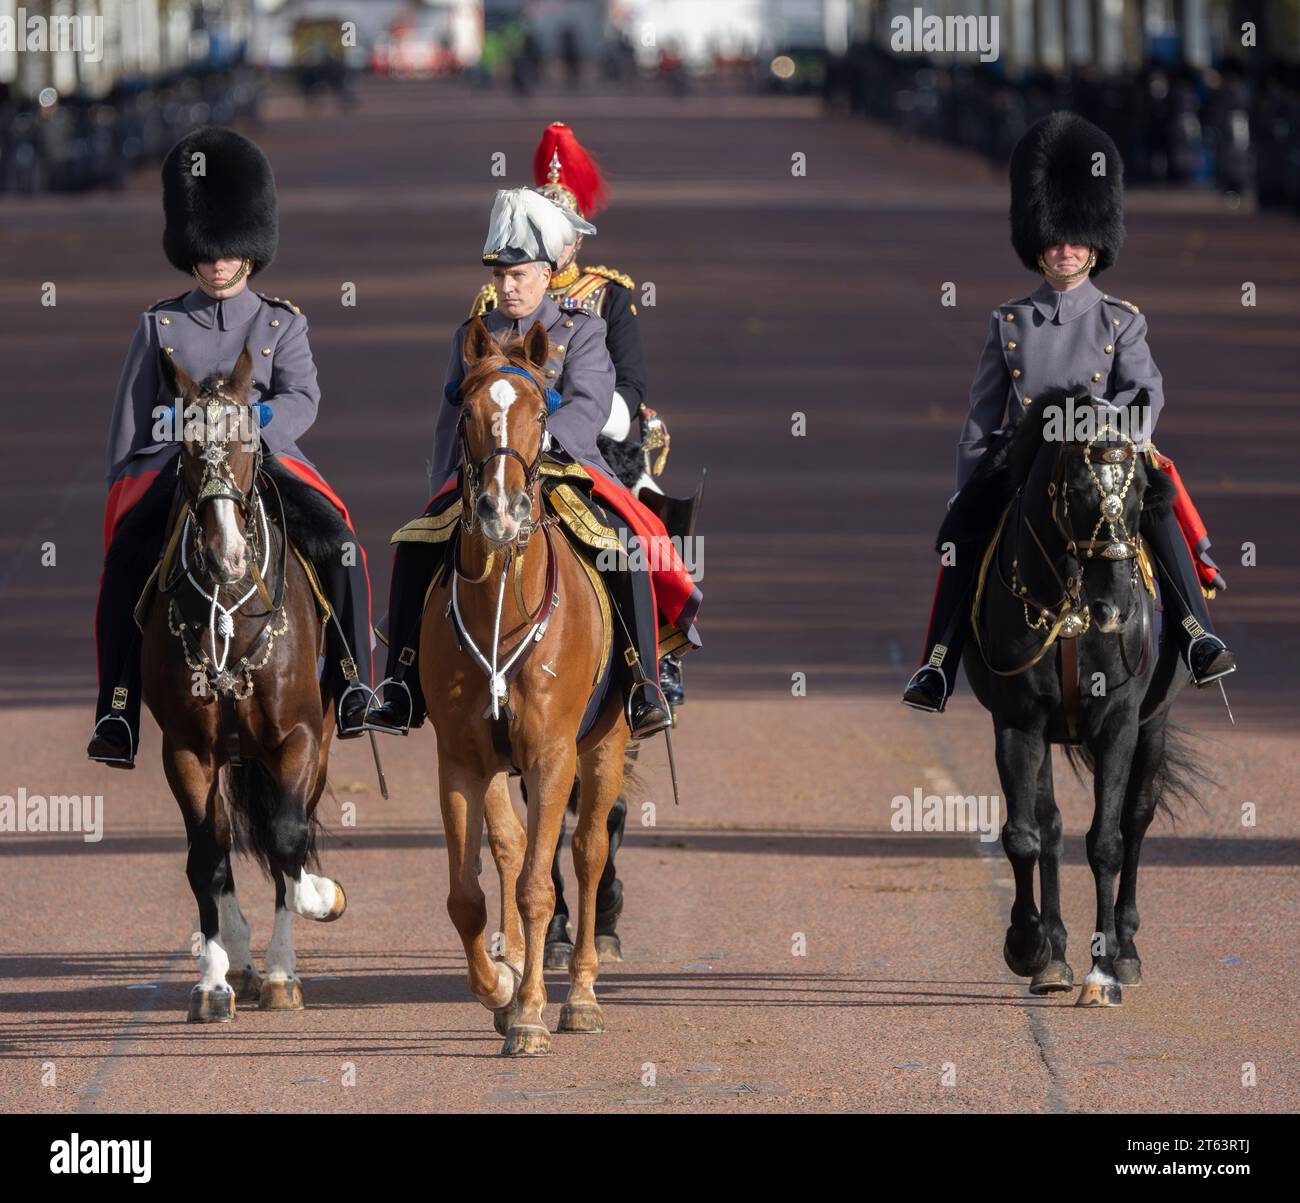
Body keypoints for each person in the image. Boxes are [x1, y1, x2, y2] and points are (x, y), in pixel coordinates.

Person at [902, 111, 1235, 714]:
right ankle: (938, 663)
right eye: (1054, 237)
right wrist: (966, 487)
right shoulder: (1009, 321)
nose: (1064, 248)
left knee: (1157, 506)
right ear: (1037, 243)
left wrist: (1117, 428)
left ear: (1096, 243)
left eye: (1076, 237)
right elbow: (981, 418)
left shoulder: (1121, 319)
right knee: (962, 538)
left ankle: (1194, 633)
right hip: (1023, 456)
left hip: (1105, 450)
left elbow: (1147, 393)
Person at [365, 187, 701, 739]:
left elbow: (591, 407)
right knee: (415, 544)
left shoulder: (583, 330)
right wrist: (442, 491)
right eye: (501, 275)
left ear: (547, 274)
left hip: (566, 472)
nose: (507, 286)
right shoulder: (474, 336)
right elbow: (450, 423)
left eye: (519, 274)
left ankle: (643, 682)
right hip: (481, 481)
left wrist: (535, 449)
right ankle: (401, 682)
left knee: (625, 547)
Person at [87, 126, 374, 768]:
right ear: (190, 252)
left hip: (264, 462)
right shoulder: (159, 325)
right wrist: (179, 440)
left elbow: (304, 398)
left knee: (343, 547)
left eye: (228, 252)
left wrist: (254, 422)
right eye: (207, 252)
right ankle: (117, 709)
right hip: (182, 468)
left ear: (249, 251)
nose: (218, 263)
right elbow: (133, 420)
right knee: (124, 568)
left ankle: (354, 682)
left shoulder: (281, 321)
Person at [468, 121, 693, 704]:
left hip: (599, 445)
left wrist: (557, 429)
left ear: (574, 241)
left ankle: (653, 664)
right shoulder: (492, 305)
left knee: (638, 537)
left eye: (563, 234)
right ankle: (406, 670)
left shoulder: (606, 297)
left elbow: (628, 387)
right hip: (499, 449)